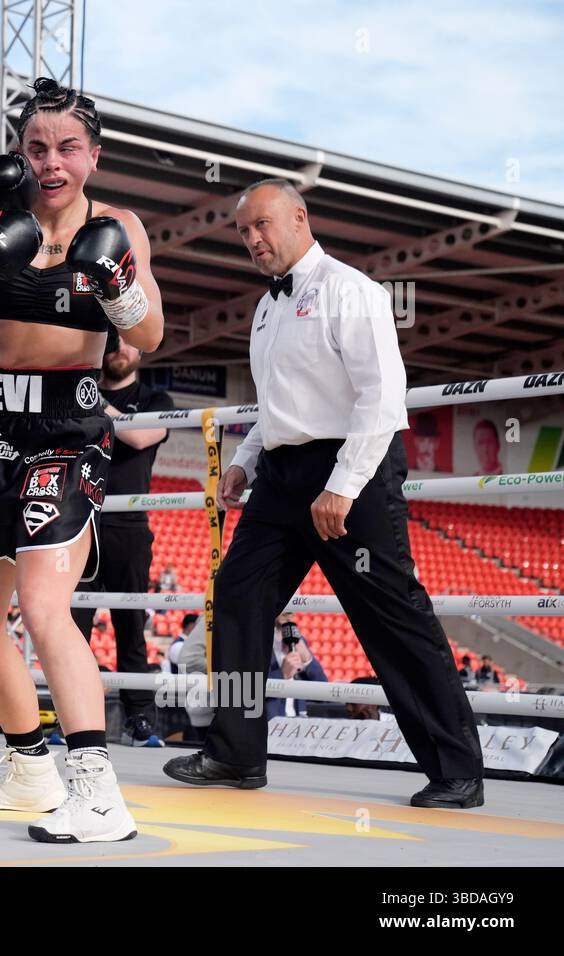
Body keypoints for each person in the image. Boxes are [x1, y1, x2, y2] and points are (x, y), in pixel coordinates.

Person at [162, 178, 485, 810]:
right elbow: (279, 405)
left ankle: (457, 771)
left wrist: (341, 485)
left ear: (300, 218)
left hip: (352, 472)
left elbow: (382, 398)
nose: (254, 239)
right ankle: (235, 754)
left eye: (263, 224)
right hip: (282, 479)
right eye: (244, 231)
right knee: (237, 596)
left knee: (392, 617)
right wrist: (245, 461)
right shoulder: (265, 308)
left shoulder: (352, 290)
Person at [0, 77, 163, 843]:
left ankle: (100, 793)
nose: (52, 162)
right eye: (37, 146)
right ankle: (30, 770)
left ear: (93, 154)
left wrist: (117, 288)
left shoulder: (120, 225)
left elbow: (148, 339)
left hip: (65, 432)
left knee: (47, 610)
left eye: (68, 147)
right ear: (22, 151)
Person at [72, 329, 173, 746]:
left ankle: (140, 720)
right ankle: (73, 718)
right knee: (74, 625)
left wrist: (95, 403)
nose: (120, 349)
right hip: (79, 519)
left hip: (129, 525)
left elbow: (141, 436)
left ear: (142, 350)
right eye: (113, 341)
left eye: (129, 343)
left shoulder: (155, 401)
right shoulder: (81, 393)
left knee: (130, 625)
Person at [264, 613, 327, 719]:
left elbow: (323, 694)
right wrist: (281, 675)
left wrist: (308, 660)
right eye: (286, 602)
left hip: (296, 724)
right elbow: (243, 691)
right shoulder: (256, 640)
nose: (289, 612)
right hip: (268, 726)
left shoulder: (299, 640)